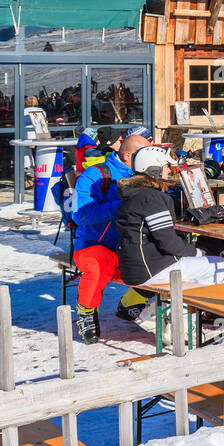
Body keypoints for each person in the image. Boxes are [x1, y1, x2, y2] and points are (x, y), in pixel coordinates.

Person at [116, 145, 224, 296]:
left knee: (200, 269)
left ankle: (179, 310)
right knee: (222, 265)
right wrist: (197, 252)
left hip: (134, 267)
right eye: (166, 167)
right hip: (151, 269)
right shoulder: (151, 198)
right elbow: (168, 242)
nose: (169, 171)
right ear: (153, 168)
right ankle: (193, 312)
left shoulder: (135, 194)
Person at [70, 133, 147, 343]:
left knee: (160, 262)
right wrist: (122, 206)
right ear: (128, 156)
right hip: (94, 245)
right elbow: (80, 214)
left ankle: (130, 303)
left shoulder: (144, 174)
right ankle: (86, 311)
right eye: (143, 154)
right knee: (97, 266)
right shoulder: (94, 176)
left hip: (129, 245)